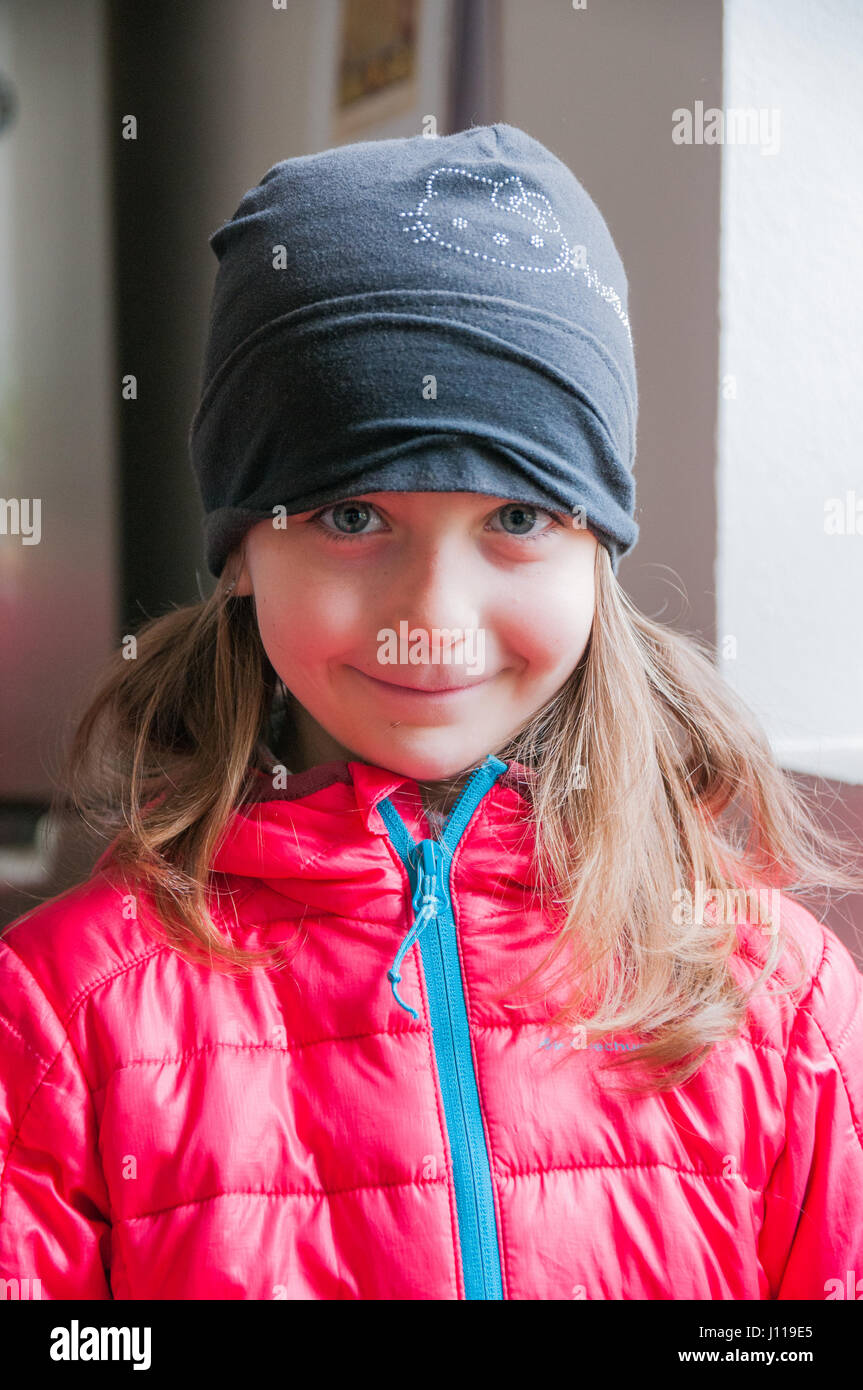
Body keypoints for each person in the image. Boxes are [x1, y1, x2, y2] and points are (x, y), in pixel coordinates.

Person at [1, 123, 862, 1301]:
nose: (434, 619)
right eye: (354, 516)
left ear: (595, 552)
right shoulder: (61, 1023)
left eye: (516, 519)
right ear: (243, 548)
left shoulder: (778, 999)